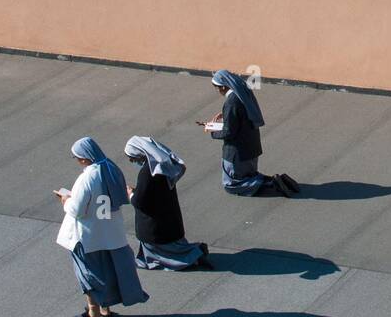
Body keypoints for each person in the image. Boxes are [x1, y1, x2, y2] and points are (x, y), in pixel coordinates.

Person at [55, 136, 148, 317]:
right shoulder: (112, 169)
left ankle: (93, 314)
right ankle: (106, 307)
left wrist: (66, 201)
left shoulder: (87, 177)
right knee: (108, 271)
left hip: (88, 236)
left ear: (83, 158)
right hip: (111, 233)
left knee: (89, 275)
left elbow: (77, 209)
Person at [198, 69, 299, 197]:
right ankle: (278, 181)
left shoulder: (231, 103)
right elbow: (241, 117)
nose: (217, 91)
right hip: (252, 147)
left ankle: (273, 183)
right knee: (249, 175)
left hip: (237, 153)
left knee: (232, 184)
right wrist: (226, 116)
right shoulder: (243, 94)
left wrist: (213, 131)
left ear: (223, 86)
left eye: (217, 88)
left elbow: (229, 132)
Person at [123, 135, 213, 271]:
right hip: (170, 221)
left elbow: (139, 201)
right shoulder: (163, 166)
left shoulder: (148, 172)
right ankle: (194, 252)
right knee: (175, 246)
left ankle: (193, 256)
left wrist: (131, 194)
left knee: (165, 255)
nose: (131, 160)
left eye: (132, 158)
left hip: (155, 228)